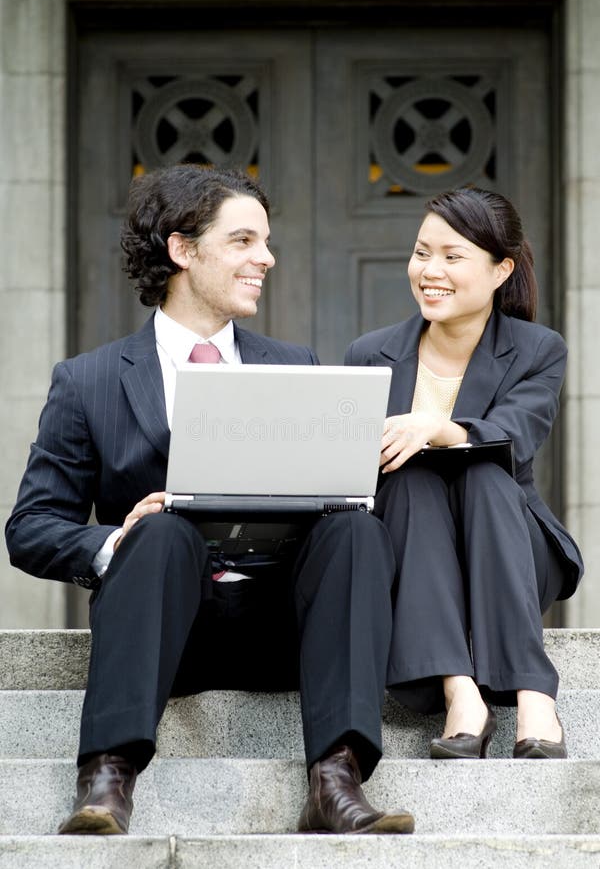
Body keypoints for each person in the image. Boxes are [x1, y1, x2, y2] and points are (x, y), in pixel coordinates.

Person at [5, 164, 414, 835]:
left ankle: (336, 780)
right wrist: (117, 537)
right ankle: (107, 779)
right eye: (244, 241)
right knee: (162, 530)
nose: (267, 259)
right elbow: (31, 527)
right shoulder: (89, 381)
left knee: (355, 529)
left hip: (288, 630)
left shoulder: (295, 366)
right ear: (182, 250)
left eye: (266, 241)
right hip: (169, 633)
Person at [345, 187, 584, 760]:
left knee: (482, 472)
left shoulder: (536, 349)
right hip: (415, 548)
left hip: (510, 546)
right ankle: (461, 694)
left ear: (501, 269)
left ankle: (533, 693)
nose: (430, 271)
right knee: (408, 478)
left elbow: (514, 436)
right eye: (422, 252)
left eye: (453, 257)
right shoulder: (369, 354)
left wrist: (435, 424)